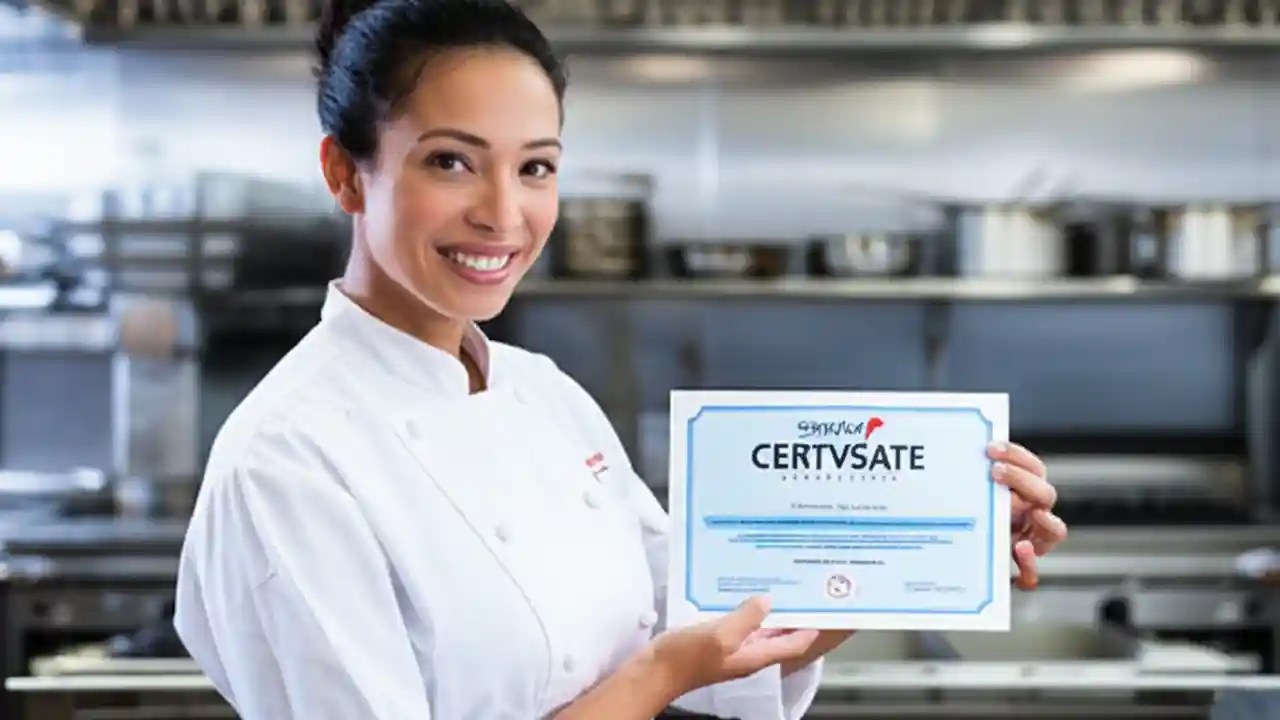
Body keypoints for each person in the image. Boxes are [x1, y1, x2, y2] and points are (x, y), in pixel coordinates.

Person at [172, 1, 1069, 718]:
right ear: (343, 173)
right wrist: (659, 679)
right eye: (451, 162)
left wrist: (921, 551)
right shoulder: (287, 459)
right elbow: (673, 664)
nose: (503, 214)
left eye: (536, 168)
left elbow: (710, 638)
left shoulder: (543, 395)